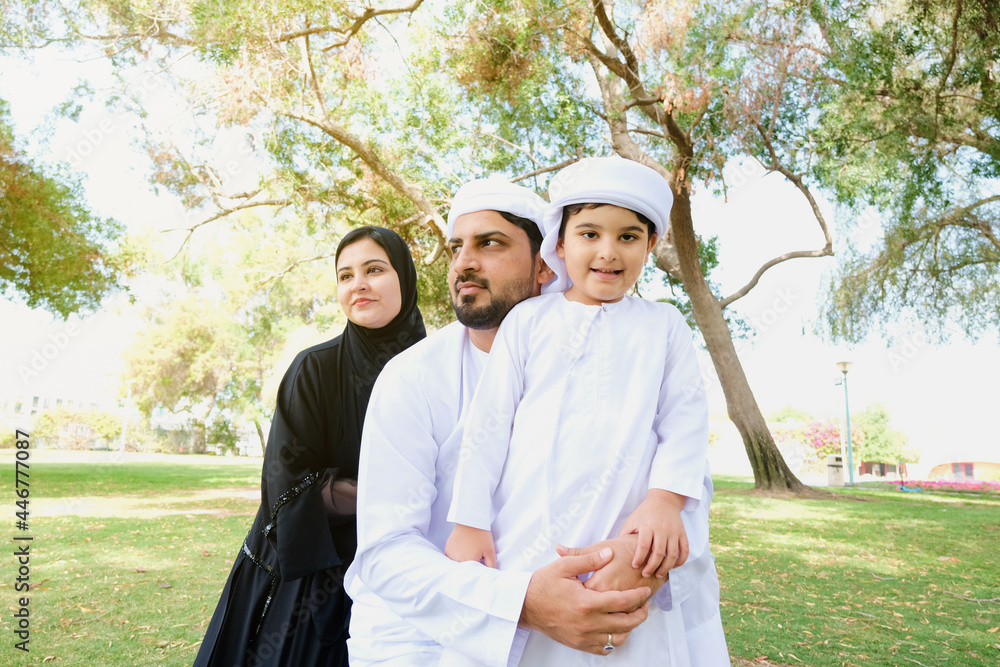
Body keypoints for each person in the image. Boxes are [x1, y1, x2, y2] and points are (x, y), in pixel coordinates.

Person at [347, 176, 726, 666]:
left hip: (626, 617)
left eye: (490, 243)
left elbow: (683, 463)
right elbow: (386, 552)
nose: (464, 261)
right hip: (433, 636)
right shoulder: (410, 379)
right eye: (456, 247)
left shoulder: (653, 334)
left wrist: (641, 559)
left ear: (546, 264)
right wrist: (524, 602)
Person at [193, 226, 426, 667]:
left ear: (405, 278)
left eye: (374, 269)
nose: (357, 283)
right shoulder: (314, 369)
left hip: (416, 564)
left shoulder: (441, 366)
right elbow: (288, 484)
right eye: (345, 275)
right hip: (315, 574)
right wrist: (395, 499)